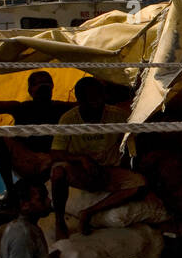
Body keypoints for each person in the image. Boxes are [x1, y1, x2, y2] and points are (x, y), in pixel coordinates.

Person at [48, 76, 145, 231]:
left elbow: (130, 146)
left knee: (139, 184)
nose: (96, 103)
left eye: (99, 97)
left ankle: (89, 212)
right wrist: (81, 159)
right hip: (82, 172)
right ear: (80, 100)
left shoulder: (117, 116)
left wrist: (124, 166)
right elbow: (55, 153)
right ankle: (60, 222)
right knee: (58, 172)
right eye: (90, 99)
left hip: (108, 171)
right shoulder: (69, 119)